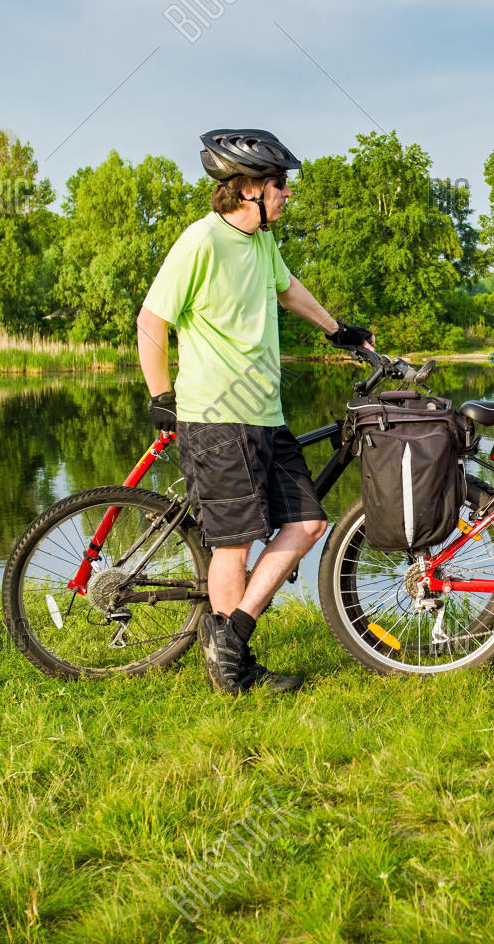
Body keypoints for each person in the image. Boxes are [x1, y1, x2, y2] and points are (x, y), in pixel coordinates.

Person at [137, 128, 373, 696]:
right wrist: (163, 396)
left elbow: (290, 291)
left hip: (266, 415)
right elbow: (152, 321)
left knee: (309, 521)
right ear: (247, 190)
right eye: (279, 183)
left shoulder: (263, 245)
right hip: (216, 417)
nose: (286, 193)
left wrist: (339, 332)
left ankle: (231, 635)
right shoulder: (201, 241)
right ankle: (232, 673)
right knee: (234, 543)